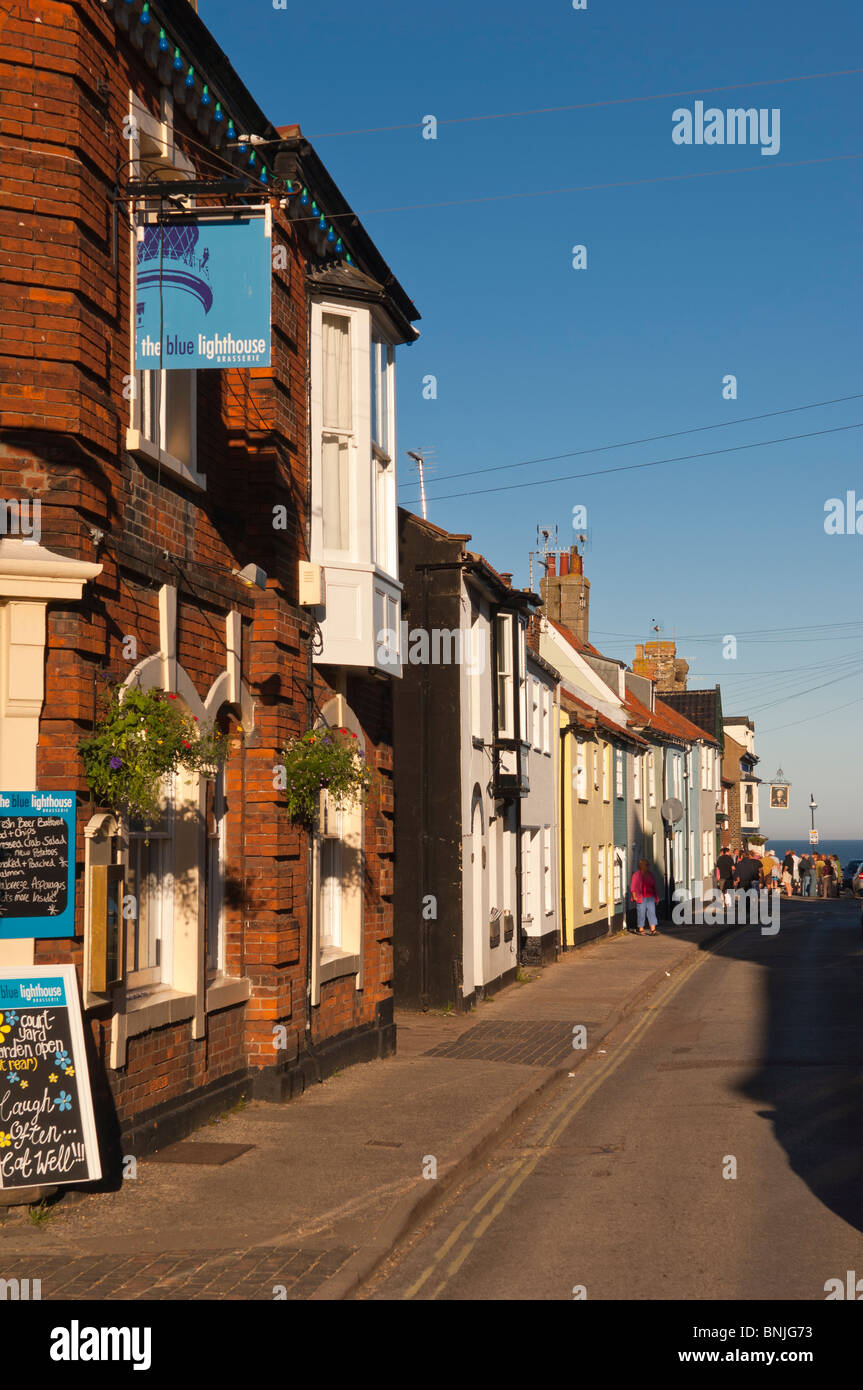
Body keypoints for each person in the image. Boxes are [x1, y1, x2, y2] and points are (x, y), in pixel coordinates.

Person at [630, 859, 659, 936]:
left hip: (650, 897)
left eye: (648, 865)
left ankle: (653, 930)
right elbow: (633, 886)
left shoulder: (651, 875)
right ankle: (641, 929)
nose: (648, 866)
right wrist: (634, 896)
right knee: (641, 913)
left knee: (652, 912)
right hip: (640, 897)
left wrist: (656, 897)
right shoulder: (636, 875)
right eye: (646, 865)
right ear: (641, 866)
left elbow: (654, 887)